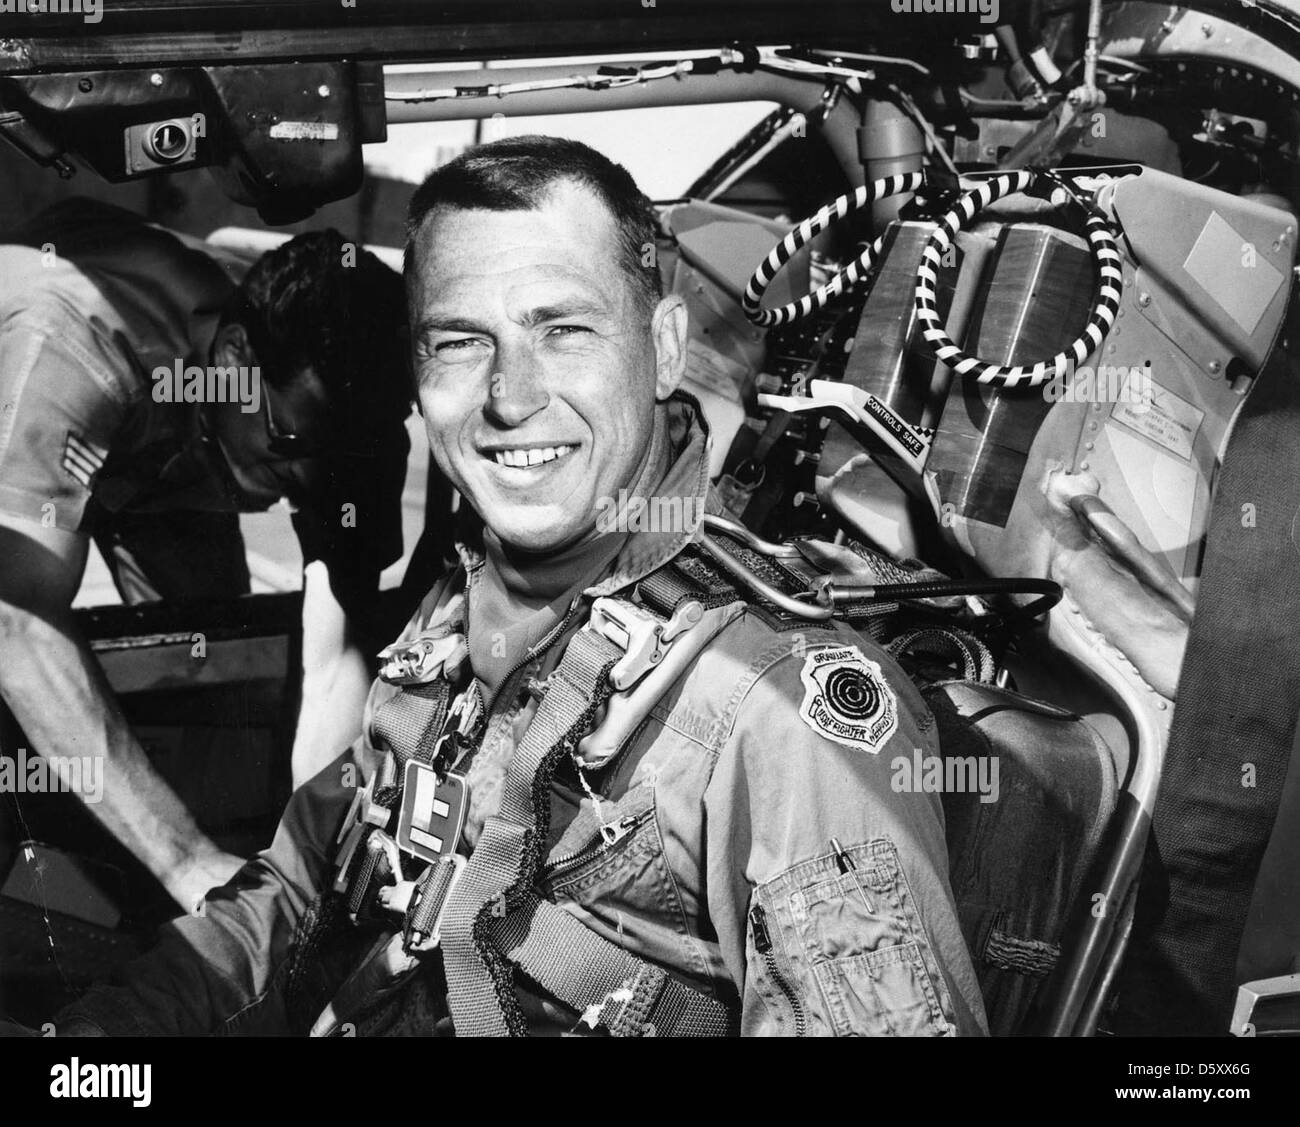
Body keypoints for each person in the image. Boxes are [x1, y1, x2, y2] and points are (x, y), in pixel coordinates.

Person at [51, 137, 986, 1036]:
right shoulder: (453, 626)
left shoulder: (777, 711)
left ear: (662, 347)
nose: (509, 394)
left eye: (564, 329)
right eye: (460, 342)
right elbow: (300, 892)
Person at [0, 199, 411, 913]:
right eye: (291, 445)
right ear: (234, 361)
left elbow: (337, 644)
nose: (308, 484)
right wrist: (190, 863)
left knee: (210, 678)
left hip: (170, 446)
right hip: (54, 399)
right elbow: (16, 618)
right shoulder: (73, 335)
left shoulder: (339, 407)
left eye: (332, 463)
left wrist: (301, 871)